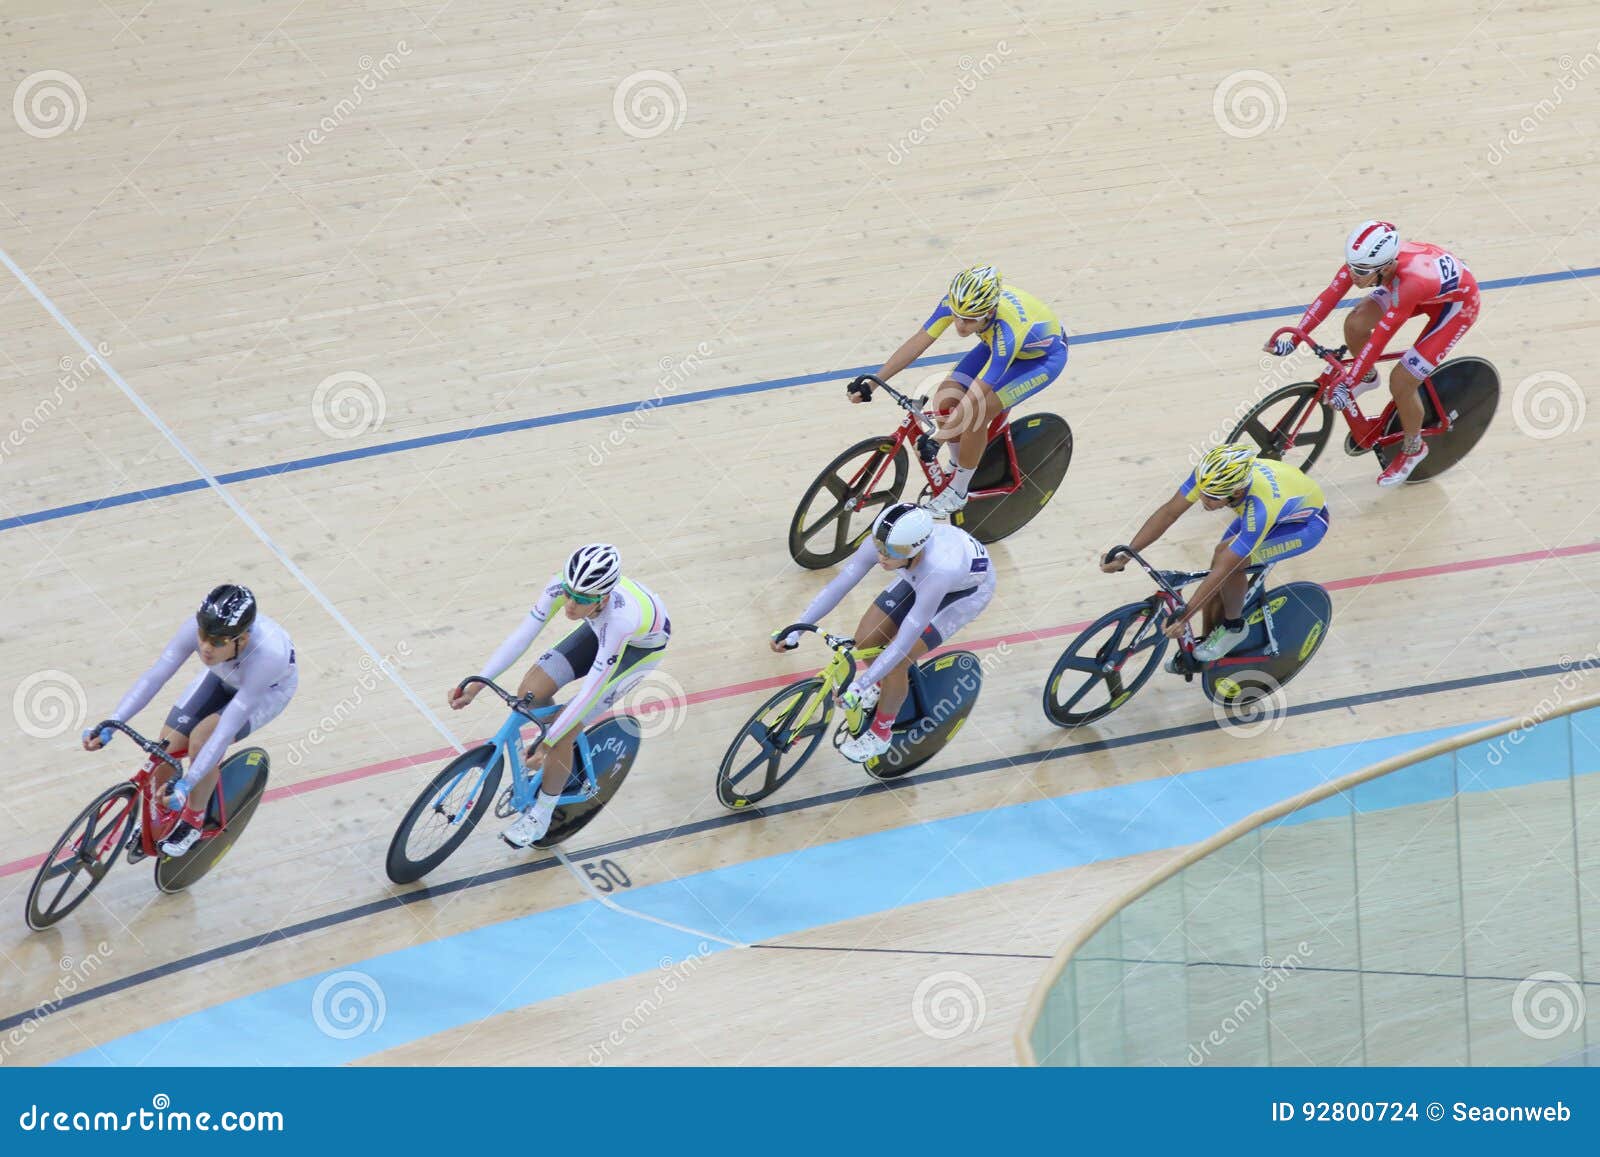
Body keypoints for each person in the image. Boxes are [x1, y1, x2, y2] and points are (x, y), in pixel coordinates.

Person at [453, 544, 670, 849]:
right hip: (599, 629)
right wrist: (479, 683)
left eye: (581, 600)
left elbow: (592, 688)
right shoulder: (563, 586)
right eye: (569, 593)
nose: (570, 604)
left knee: (565, 731)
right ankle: (555, 757)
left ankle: (541, 816)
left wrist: (554, 736)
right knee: (531, 690)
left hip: (637, 650)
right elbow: (522, 635)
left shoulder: (620, 621)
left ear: (603, 598)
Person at [83, 584, 298, 856]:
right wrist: (112, 722)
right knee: (166, 747)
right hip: (223, 677)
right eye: (203, 636)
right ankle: (161, 815)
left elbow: (228, 725)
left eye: (217, 642)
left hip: (264, 692)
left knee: (202, 739)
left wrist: (188, 782)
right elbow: (157, 674)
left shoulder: (269, 656)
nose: (206, 647)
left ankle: (193, 820)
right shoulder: (199, 632)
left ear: (242, 640)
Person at [774, 502, 995, 762]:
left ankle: (881, 734)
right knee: (867, 639)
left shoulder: (937, 571)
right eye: (880, 548)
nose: (882, 557)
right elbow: (840, 585)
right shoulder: (887, 542)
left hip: (964, 593)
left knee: (896, 662)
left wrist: (860, 684)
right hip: (920, 575)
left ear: (915, 549)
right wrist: (796, 629)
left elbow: (903, 642)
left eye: (891, 552)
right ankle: (888, 688)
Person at [1269, 220, 1480, 486]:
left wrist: (1348, 381)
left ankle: (1414, 448)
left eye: (1361, 272)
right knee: (1355, 323)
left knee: (1402, 380)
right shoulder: (1366, 264)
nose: (1353, 275)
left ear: (1386, 267)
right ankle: (1369, 376)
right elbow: (1329, 297)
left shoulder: (1409, 284)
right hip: (1417, 288)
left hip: (1456, 307)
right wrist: (1295, 338)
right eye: (1351, 267)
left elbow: (1381, 337)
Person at [848, 265, 1068, 515]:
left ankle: (959, 490)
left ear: (990, 311)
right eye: (957, 316)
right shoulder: (958, 304)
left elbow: (978, 392)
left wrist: (938, 440)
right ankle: (959, 462)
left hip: (1039, 360)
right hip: (993, 344)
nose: (961, 326)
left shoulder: (1008, 330)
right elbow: (918, 342)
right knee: (946, 396)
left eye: (970, 319)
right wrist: (873, 383)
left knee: (976, 413)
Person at [1103, 444, 1329, 664]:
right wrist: (1128, 555)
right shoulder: (1209, 475)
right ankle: (1207, 644)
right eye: (1203, 494)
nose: (1204, 501)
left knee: (1228, 564)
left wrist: (1184, 617)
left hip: (1304, 526)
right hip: (1274, 506)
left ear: (1237, 492)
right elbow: (1169, 513)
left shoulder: (1260, 509)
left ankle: (1234, 628)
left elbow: (1226, 568)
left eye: (1212, 498)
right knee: (1218, 565)